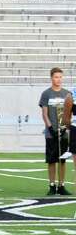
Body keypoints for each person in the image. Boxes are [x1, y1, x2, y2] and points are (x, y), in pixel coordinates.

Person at [39, 67, 72, 196]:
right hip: (51, 132)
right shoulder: (46, 93)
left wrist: (65, 127)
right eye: (56, 77)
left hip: (64, 131)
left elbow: (69, 113)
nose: (58, 79)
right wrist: (50, 128)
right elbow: (44, 114)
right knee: (52, 160)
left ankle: (61, 185)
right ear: (51, 78)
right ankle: (52, 185)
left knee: (62, 160)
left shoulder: (67, 94)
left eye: (60, 77)